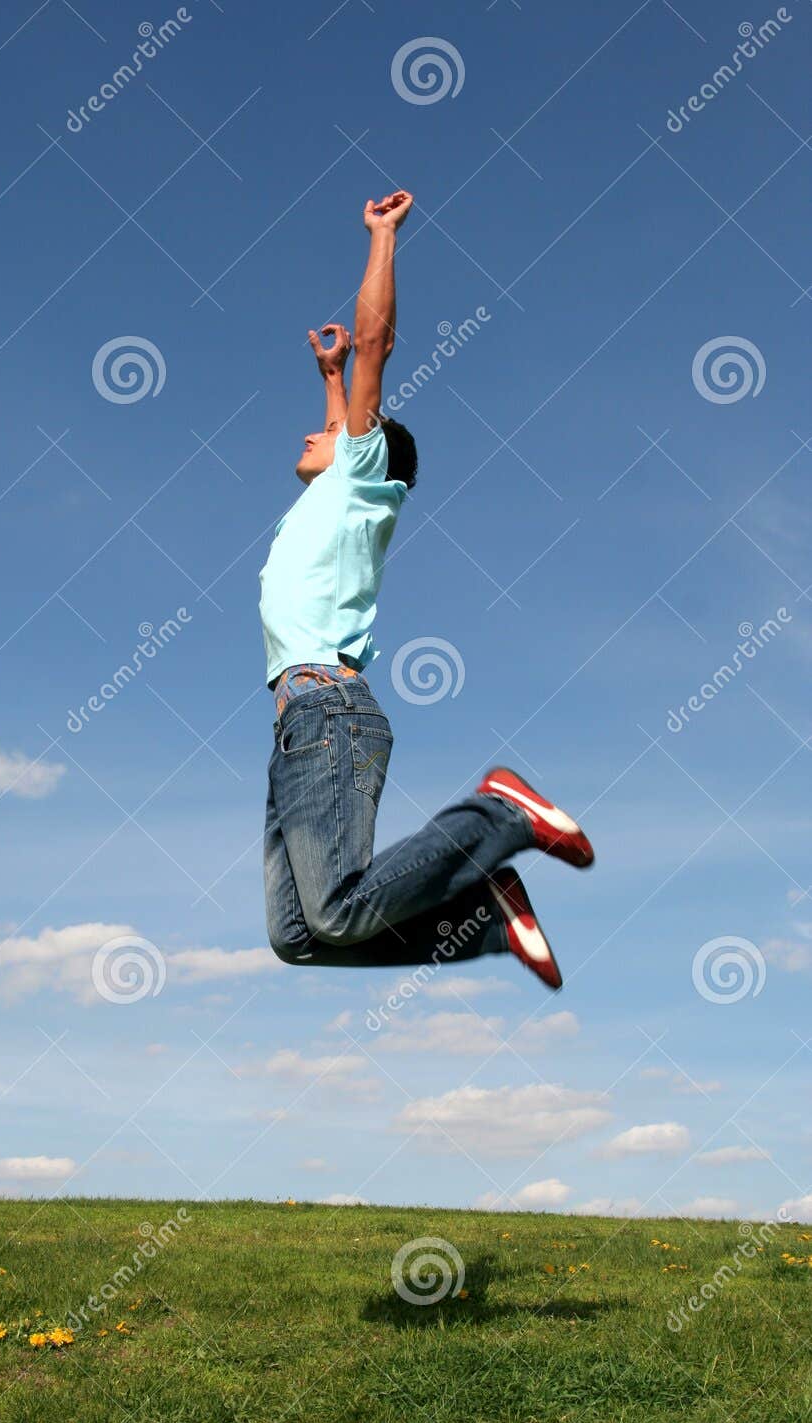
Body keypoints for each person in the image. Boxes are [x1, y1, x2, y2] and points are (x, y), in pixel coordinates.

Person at [259, 190, 594, 990]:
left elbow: (376, 340)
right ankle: (481, 915)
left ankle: (500, 814)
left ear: (362, 450)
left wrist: (381, 238)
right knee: (301, 936)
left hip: (326, 710)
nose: (314, 431)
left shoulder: (359, 481)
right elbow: (338, 432)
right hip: (299, 724)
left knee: (336, 914)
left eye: (333, 427)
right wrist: (330, 378)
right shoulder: (336, 492)